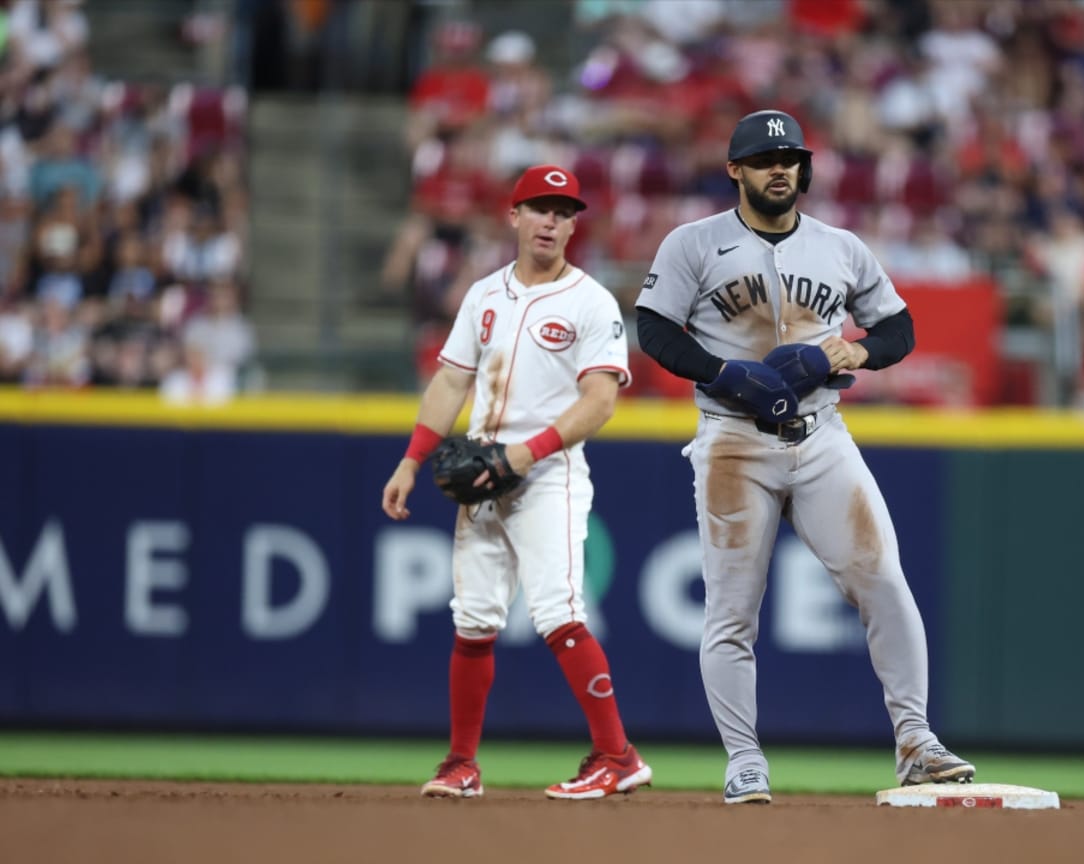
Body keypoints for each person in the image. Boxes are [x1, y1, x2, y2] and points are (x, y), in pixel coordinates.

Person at [634, 109, 975, 804]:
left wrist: (855, 352)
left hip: (821, 434)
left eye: (789, 158)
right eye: (764, 160)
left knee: (883, 580)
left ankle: (916, 741)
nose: (779, 169)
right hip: (733, 438)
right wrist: (724, 373)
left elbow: (898, 327)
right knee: (732, 612)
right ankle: (744, 760)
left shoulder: (839, 247)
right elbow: (655, 329)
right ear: (735, 170)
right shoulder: (694, 242)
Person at [381, 164, 650, 801]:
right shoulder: (484, 295)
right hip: (482, 473)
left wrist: (526, 455)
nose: (551, 221)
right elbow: (452, 380)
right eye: (539, 208)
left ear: (574, 225)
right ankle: (461, 765)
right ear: (514, 216)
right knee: (474, 619)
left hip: (548, 475)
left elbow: (600, 401)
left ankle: (617, 756)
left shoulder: (590, 301)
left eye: (563, 212)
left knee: (558, 610)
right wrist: (412, 460)